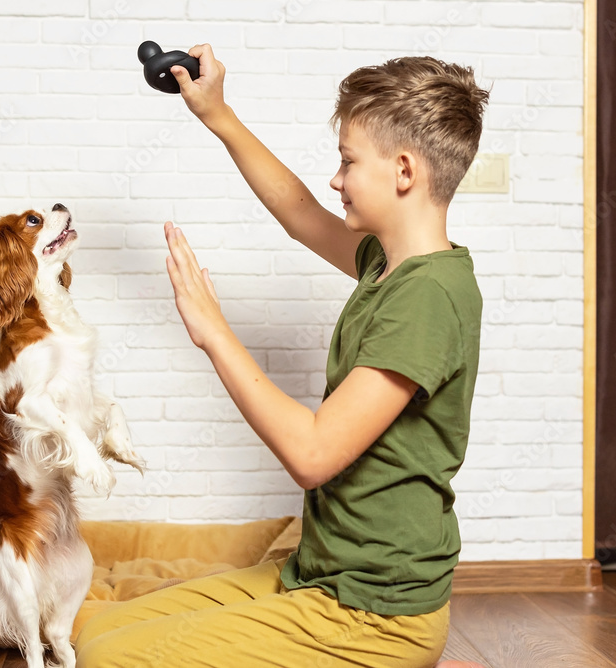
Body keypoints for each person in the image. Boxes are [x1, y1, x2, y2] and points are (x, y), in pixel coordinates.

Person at [75, 44, 489, 668]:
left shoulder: (430, 296)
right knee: (93, 639)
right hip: (317, 574)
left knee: (110, 661)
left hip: (373, 617)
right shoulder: (387, 263)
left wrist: (214, 331)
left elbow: (313, 454)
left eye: (348, 162)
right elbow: (299, 213)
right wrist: (217, 113)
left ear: (404, 171)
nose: (335, 178)